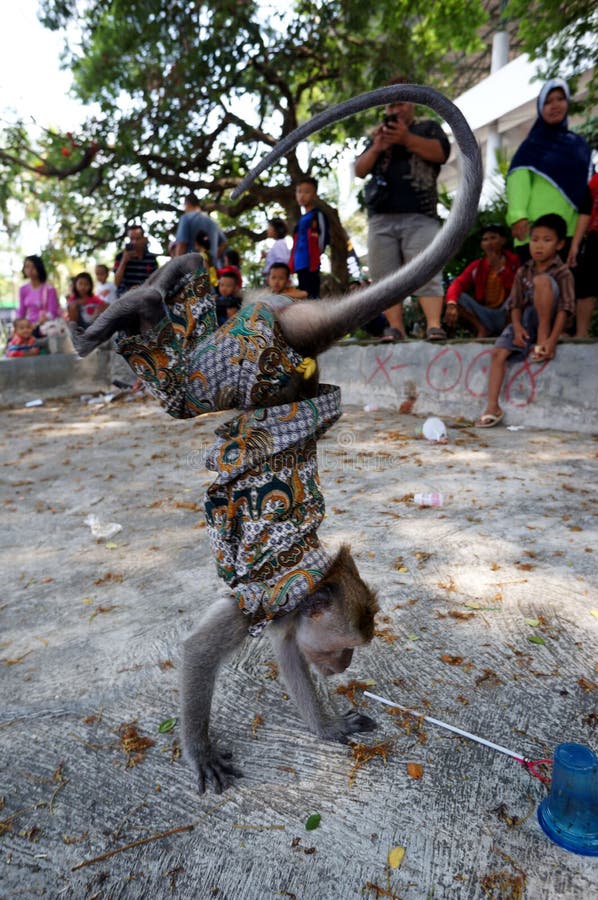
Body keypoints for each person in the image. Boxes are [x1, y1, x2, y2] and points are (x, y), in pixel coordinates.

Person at [354, 77, 451, 341]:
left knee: (427, 271)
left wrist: (406, 138)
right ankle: (395, 328)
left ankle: (433, 325)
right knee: (385, 279)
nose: (395, 109)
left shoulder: (428, 128)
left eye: (400, 101)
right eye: (390, 104)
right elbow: (359, 169)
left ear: (412, 102)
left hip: (421, 215)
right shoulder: (378, 134)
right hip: (381, 217)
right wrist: (377, 147)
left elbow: (441, 153)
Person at [475, 214, 575, 428]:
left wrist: (552, 339)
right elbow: (515, 305)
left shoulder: (562, 272)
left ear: (560, 244)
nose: (539, 246)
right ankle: (492, 406)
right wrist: (518, 327)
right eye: (535, 239)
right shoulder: (523, 271)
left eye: (547, 240)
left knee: (542, 281)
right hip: (527, 321)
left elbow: (565, 308)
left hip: (549, 322)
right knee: (497, 353)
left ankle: (542, 340)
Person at [506, 78, 592, 265]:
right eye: (548, 101)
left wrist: (581, 233)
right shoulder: (531, 145)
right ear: (540, 107)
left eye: (560, 99)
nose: (555, 106)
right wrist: (518, 216)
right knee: (536, 292)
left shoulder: (579, 146)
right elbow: (517, 179)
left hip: (569, 235)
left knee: (569, 292)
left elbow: (586, 194)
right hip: (535, 235)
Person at [444, 225, 520, 337]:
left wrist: (500, 270)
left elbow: (517, 288)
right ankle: (482, 328)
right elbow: (457, 284)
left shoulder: (514, 262)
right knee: (457, 297)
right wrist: (451, 304)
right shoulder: (477, 266)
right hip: (485, 313)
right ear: (482, 245)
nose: (489, 243)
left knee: (518, 293)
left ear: (503, 240)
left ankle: (508, 330)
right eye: (485, 240)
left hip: (506, 312)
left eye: (493, 238)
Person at [568, 170, 598, 338]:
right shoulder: (595, 181)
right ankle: (581, 335)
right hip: (595, 237)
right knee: (586, 287)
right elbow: (585, 212)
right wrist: (575, 245)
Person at [289, 177, 329, 298]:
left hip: (311, 262)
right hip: (299, 263)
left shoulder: (317, 215)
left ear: (315, 194)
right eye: (299, 191)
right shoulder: (300, 220)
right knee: (303, 294)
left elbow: (324, 237)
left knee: (312, 294)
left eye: (307, 192)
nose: (302, 195)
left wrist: (316, 254)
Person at [174, 193, 227, 265]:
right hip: (211, 270)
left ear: (187, 203)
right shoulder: (213, 222)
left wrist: (176, 267)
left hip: (191, 269)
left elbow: (182, 245)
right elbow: (224, 243)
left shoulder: (186, 218)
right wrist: (212, 256)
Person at [17, 255, 61, 336]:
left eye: (33, 267)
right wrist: (18, 326)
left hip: (45, 327)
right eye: (27, 267)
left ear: (39, 268)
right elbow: (21, 312)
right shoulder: (23, 289)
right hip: (28, 327)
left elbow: (52, 312)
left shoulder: (50, 289)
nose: (30, 270)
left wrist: (37, 324)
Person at [113, 225, 159, 297]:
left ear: (144, 239)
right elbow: (116, 283)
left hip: (144, 296)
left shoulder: (151, 258)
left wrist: (141, 289)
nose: (134, 242)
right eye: (131, 239)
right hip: (124, 298)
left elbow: (156, 281)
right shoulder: (120, 257)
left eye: (138, 238)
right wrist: (124, 261)